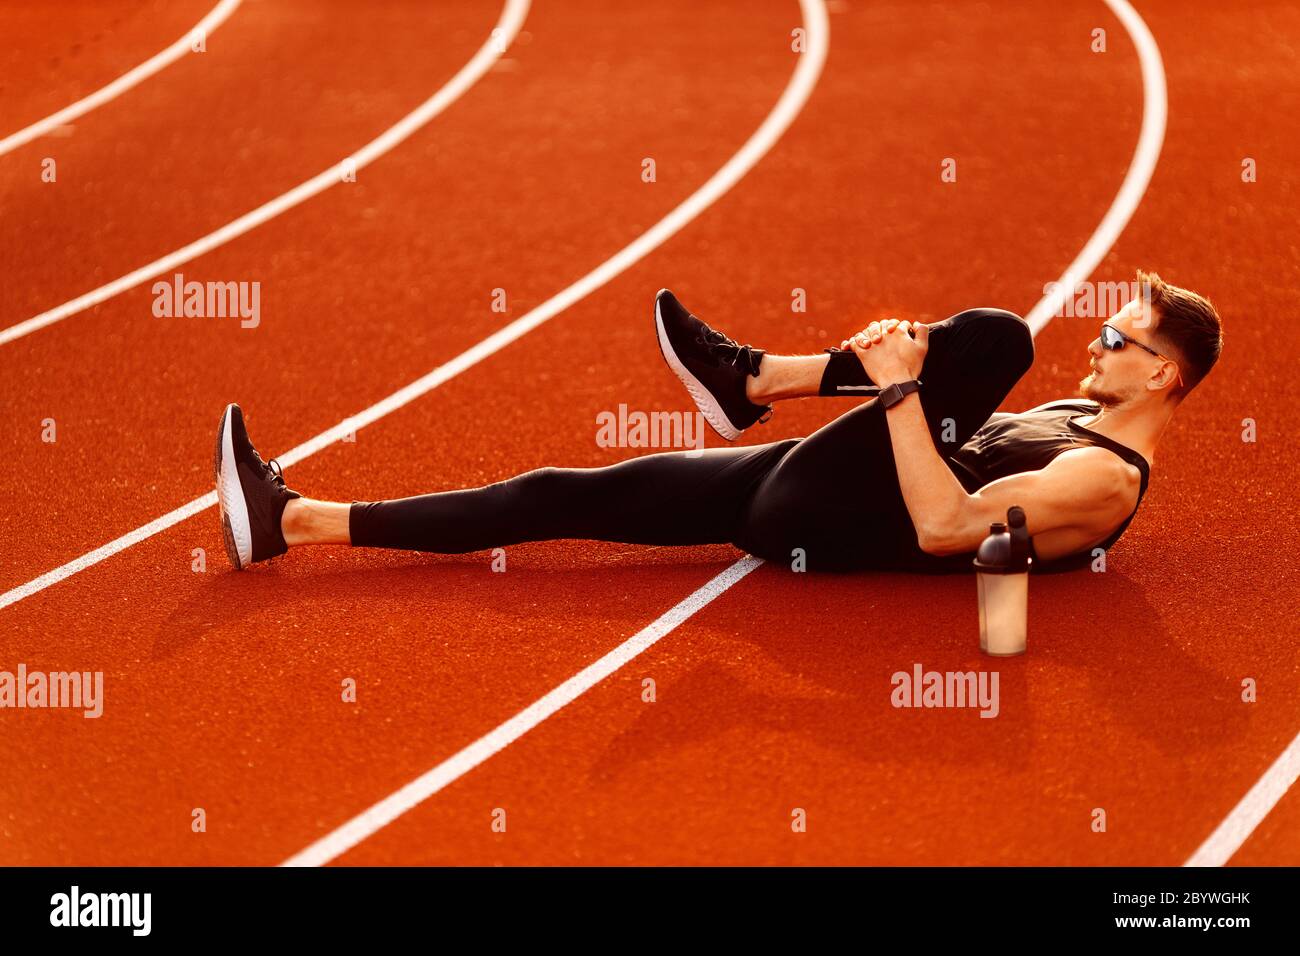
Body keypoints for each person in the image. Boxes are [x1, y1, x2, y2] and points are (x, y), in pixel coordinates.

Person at [213, 271, 1222, 574]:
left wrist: (901, 390)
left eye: (1119, 341)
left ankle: (749, 376)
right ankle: (296, 520)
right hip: (793, 482)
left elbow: (946, 530)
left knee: (997, 335)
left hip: (821, 522)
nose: (1096, 345)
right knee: (563, 492)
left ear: (1165, 376)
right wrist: (895, 389)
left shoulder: (1104, 482)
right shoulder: (1065, 415)